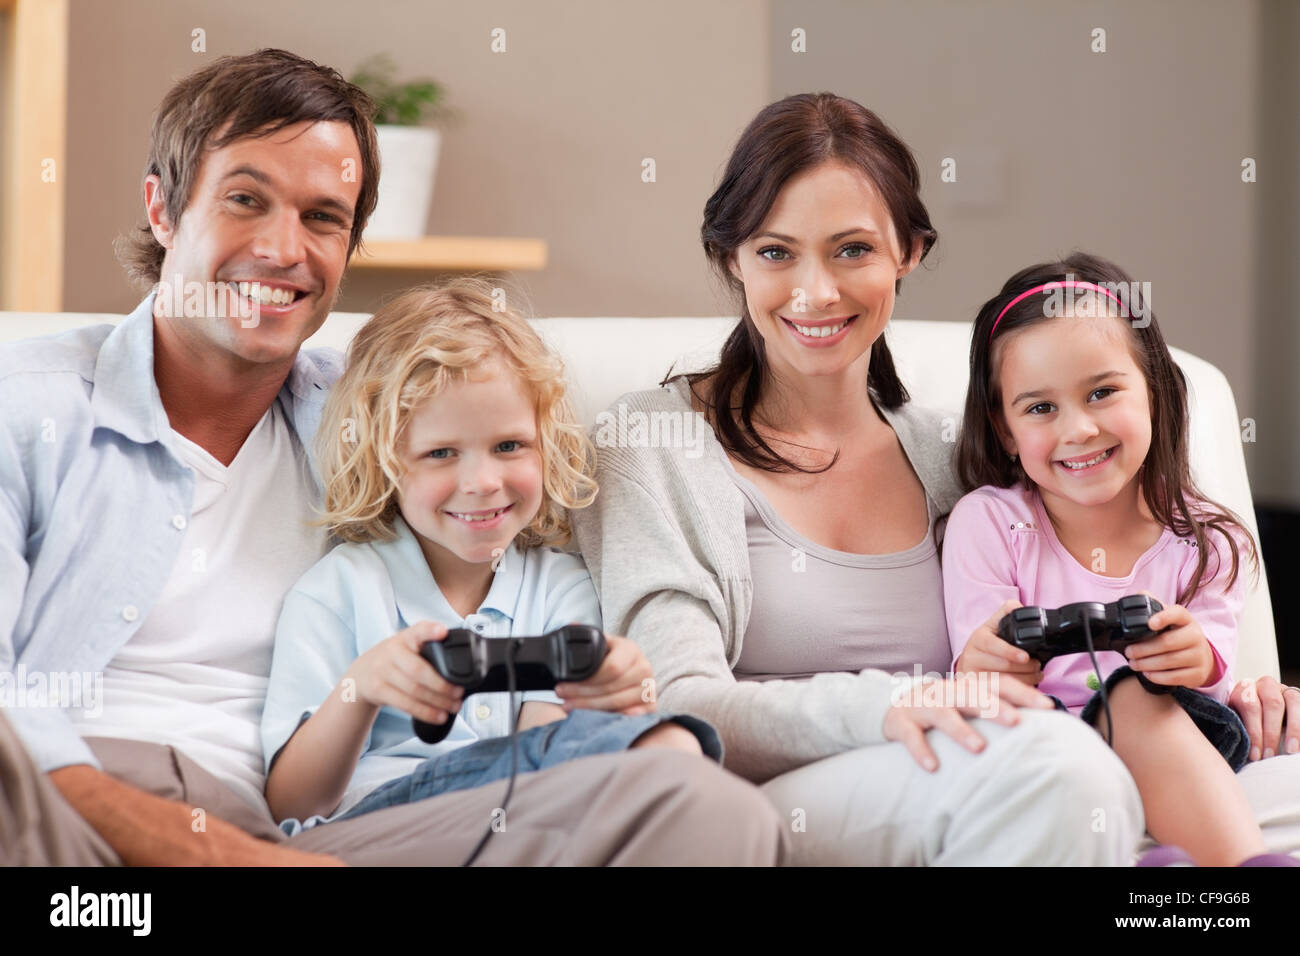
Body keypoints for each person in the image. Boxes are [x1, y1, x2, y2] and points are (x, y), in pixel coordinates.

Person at [0, 49, 783, 866]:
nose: (281, 248)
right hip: (63, 813)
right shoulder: (27, 408)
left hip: (319, 834)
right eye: (245, 199)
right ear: (162, 210)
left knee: (700, 805)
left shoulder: (377, 418)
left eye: (323, 217)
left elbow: (508, 457)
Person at [570, 93, 1147, 864]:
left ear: (908, 252)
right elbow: (674, 705)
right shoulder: (654, 441)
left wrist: (1222, 691)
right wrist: (890, 703)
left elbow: (1084, 603)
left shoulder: (954, 451)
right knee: (1062, 774)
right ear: (730, 258)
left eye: (852, 250)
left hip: (966, 770)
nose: (818, 292)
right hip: (766, 802)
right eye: (777, 253)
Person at [261, 279, 722, 830]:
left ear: (545, 445)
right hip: (385, 822)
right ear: (382, 460)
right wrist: (361, 688)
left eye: (509, 446)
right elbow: (290, 805)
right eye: (440, 453)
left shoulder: (562, 586)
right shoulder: (339, 591)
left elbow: (544, 763)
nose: (481, 482)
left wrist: (610, 698)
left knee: (671, 746)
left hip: (513, 814)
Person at [944, 252, 1297, 866]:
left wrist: (1192, 657)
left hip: (1179, 735)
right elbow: (978, 660)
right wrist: (993, 661)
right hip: (1046, 737)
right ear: (1004, 431)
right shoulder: (990, 521)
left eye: (1102, 392)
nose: (1078, 429)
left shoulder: (1210, 538)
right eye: (1039, 408)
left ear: (1156, 395)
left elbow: (1214, 672)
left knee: (1133, 696)